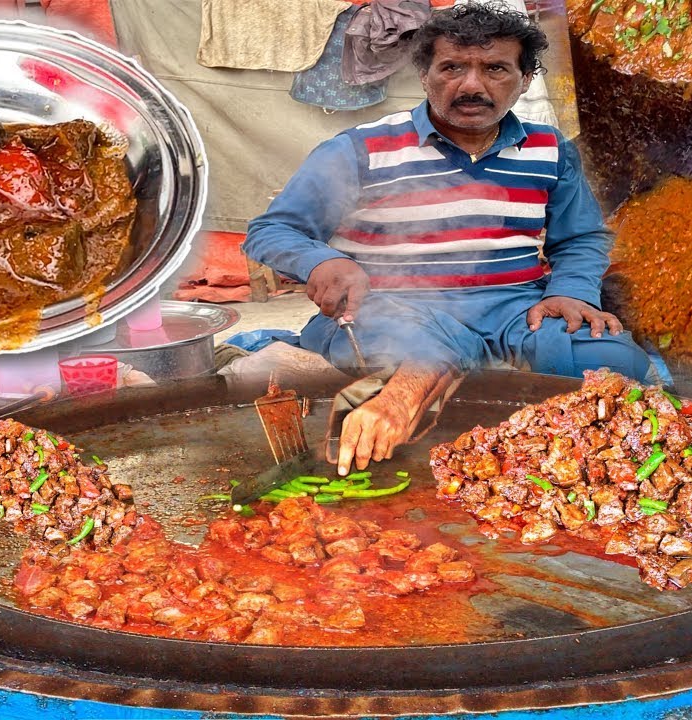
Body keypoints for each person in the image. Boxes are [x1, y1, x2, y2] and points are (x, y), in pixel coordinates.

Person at [244, 2, 652, 475]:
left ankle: (456, 382)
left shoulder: (550, 149)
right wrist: (321, 262)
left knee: (616, 364)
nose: (472, 85)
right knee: (393, 350)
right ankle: (447, 380)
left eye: (495, 68)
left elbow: (581, 237)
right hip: (395, 309)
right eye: (452, 67)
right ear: (424, 74)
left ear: (523, 80)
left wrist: (570, 292)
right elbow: (271, 230)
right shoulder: (359, 148)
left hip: (514, 311)